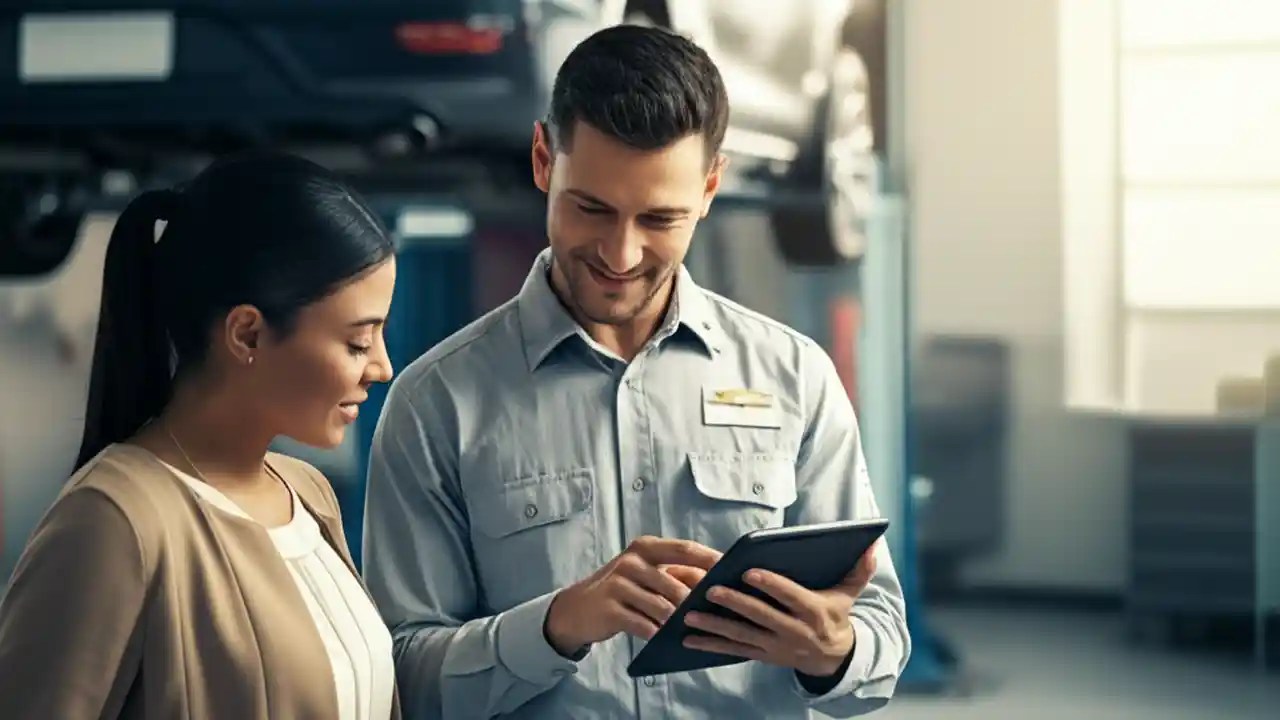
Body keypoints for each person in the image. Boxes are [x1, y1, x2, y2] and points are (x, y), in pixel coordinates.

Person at [362, 24, 910, 720]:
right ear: (542, 160)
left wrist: (834, 650)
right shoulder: (435, 403)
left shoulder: (795, 377)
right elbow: (404, 679)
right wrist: (559, 623)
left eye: (659, 218)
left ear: (710, 188)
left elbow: (881, 648)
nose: (620, 254)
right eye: (591, 208)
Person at [0, 152, 402, 720]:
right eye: (358, 343)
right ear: (247, 334)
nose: (382, 366)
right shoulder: (116, 519)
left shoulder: (308, 495)